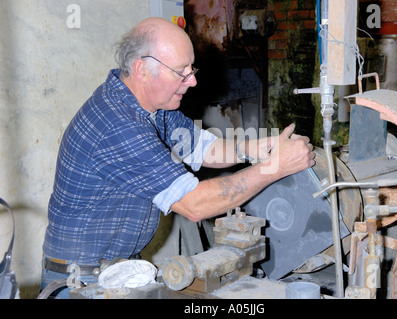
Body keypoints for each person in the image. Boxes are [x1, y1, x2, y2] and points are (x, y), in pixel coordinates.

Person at [40, 17, 315, 298]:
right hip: (81, 282)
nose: (193, 81)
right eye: (181, 72)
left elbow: (203, 148)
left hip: (119, 270)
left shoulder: (153, 106)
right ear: (142, 70)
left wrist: (262, 147)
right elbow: (194, 204)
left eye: (191, 68)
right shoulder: (118, 124)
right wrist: (276, 167)